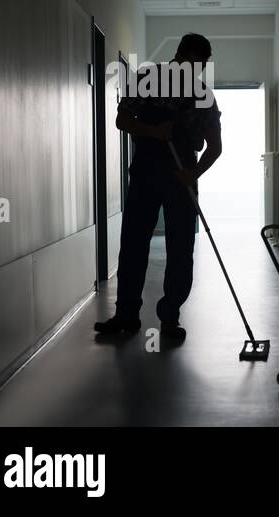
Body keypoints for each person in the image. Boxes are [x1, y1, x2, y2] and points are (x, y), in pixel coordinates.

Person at [94, 33, 222, 340]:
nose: (198, 70)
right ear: (179, 55)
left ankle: (170, 318)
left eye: (202, 65)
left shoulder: (203, 96)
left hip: (181, 178)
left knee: (180, 249)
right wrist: (153, 131)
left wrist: (194, 173)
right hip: (146, 173)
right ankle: (126, 315)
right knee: (133, 245)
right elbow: (122, 120)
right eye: (194, 62)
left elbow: (215, 147)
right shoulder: (147, 79)